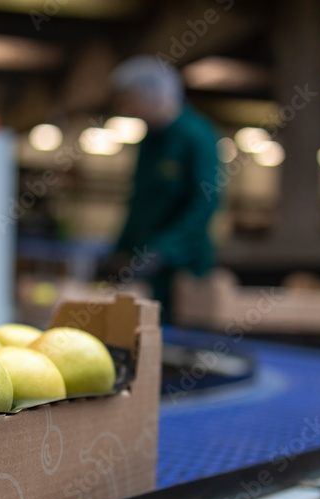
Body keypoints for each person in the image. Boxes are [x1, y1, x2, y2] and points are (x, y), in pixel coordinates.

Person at [110, 56, 221, 323]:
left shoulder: (196, 136)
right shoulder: (149, 141)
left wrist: (164, 250)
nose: (128, 109)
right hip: (144, 265)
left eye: (130, 100)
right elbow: (138, 199)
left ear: (153, 96)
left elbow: (205, 202)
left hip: (183, 267)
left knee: (178, 341)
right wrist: (121, 248)